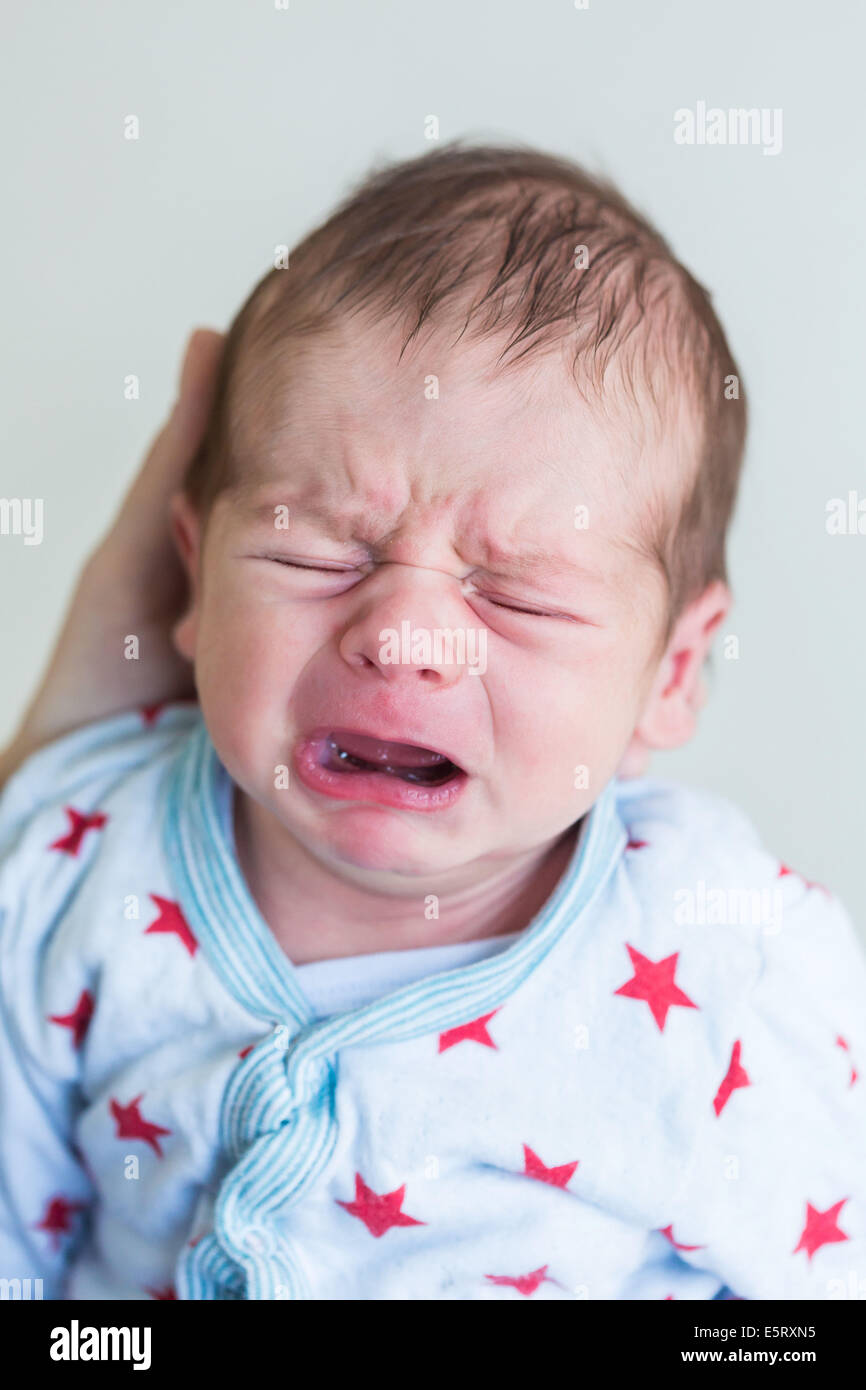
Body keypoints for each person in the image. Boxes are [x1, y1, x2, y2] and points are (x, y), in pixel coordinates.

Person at [1, 143, 864, 1301]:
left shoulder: (734, 962)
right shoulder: (67, 867)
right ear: (192, 579)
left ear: (670, 670)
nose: (403, 633)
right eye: (319, 549)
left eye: (518, 592)